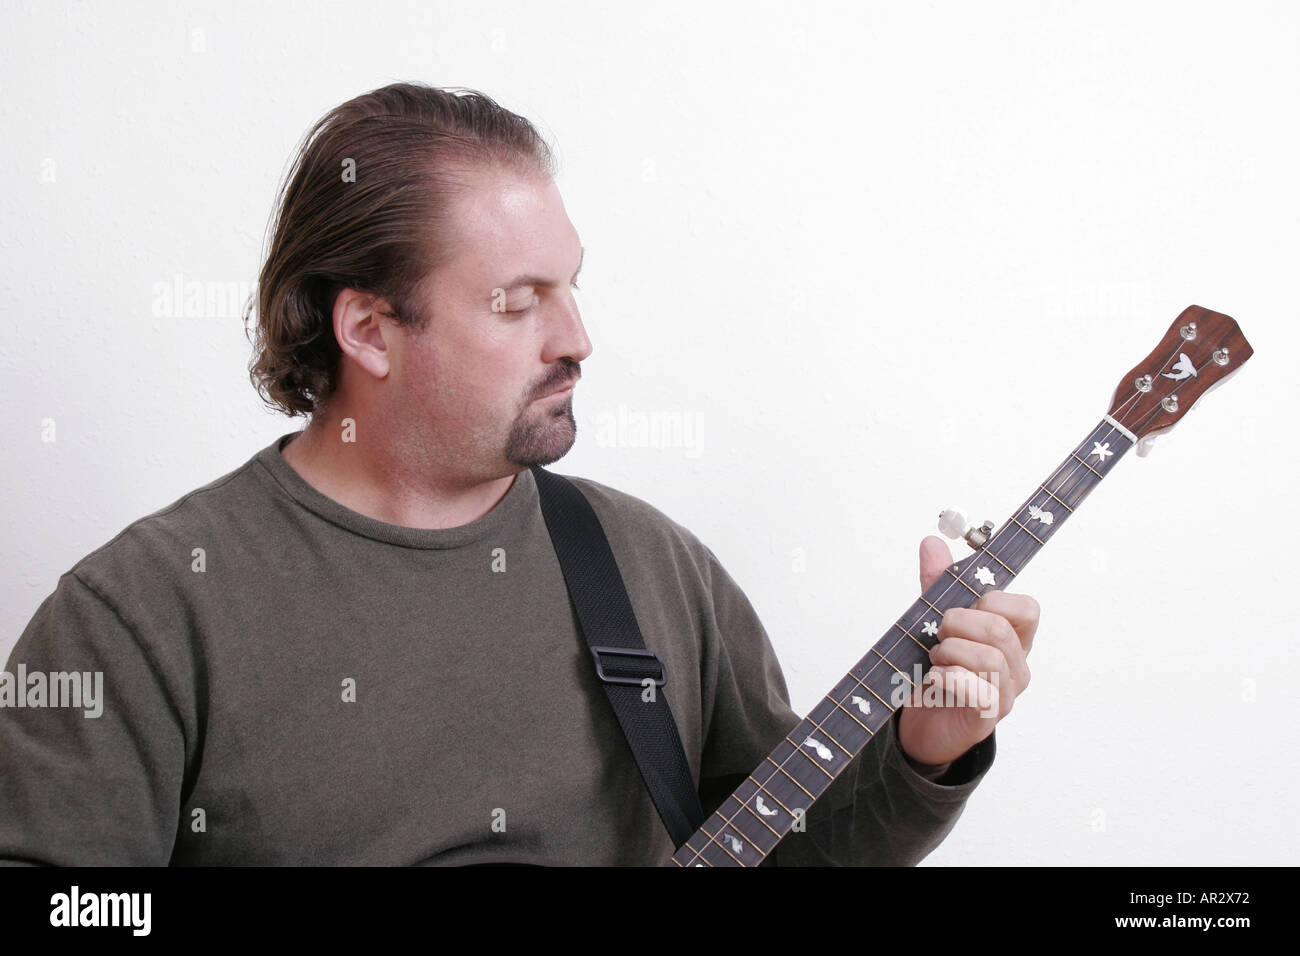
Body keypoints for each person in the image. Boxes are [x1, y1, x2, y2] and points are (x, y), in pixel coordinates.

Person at [0, 83, 1037, 866]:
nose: (578, 337)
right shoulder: (139, 611)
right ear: (367, 326)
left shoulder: (654, 569)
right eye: (517, 300)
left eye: (573, 285)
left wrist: (924, 750)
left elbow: (786, 852)